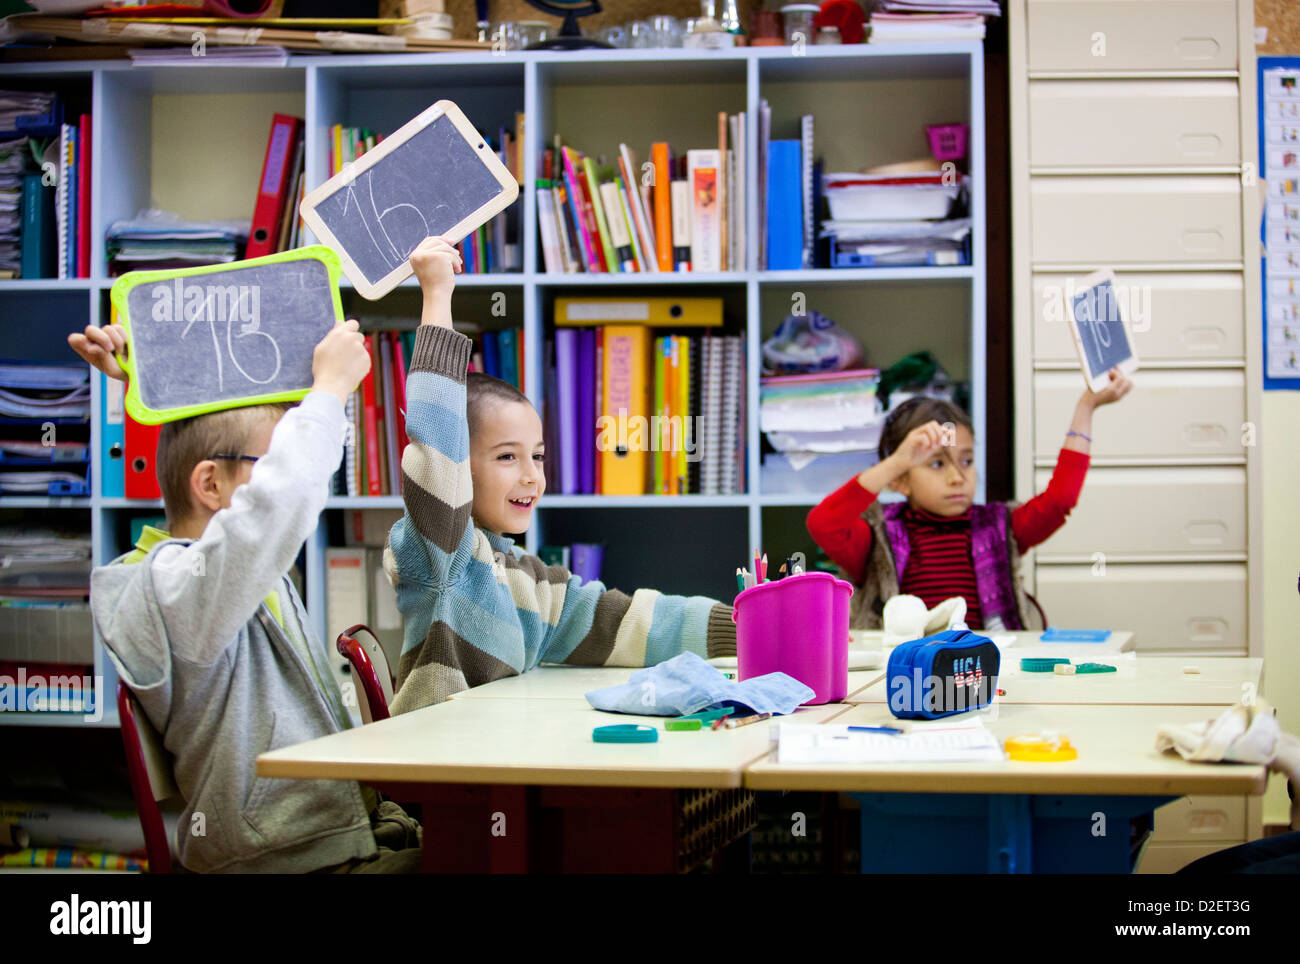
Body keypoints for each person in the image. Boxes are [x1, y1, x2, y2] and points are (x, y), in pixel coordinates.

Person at [69, 320, 422, 873]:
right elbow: (278, 505)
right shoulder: (171, 591)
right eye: (272, 461)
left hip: (338, 840)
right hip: (284, 862)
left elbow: (262, 511)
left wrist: (144, 373)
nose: (292, 472)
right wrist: (327, 393)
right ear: (210, 485)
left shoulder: (229, 576)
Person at [384, 236, 737, 713]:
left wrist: (746, 625)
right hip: (440, 778)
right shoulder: (442, 556)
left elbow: (626, 622)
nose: (532, 476)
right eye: (508, 457)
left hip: (498, 769)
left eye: (539, 456)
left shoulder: (535, 586)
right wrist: (437, 295)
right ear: (459, 468)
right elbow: (437, 447)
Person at [806, 375, 1131, 630]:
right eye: (937, 463)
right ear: (901, 480)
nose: (957, 477)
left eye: (966, 460)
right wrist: (897, 462)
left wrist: (1086, 407)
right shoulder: (878, 538)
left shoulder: (1002, 527)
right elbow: (823, 523)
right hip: (902, 675)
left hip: (986, 674)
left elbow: (1060, 500)